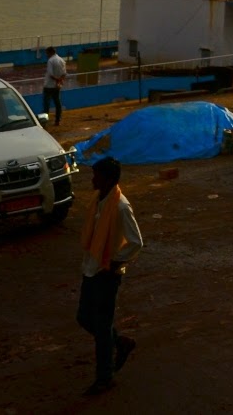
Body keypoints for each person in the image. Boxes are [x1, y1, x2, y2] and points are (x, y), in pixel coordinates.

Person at [77, 156, 143, 395]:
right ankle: (119, 343)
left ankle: (105, 377)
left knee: (101, 327)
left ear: (107, 179)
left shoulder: (121, 206)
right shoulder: (99, 200)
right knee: (85, 318)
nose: (93, 179)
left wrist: (116, 261)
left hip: (106, 272)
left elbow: (136, 241)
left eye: (96, 175)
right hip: (92, 268)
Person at [43, 47, 67, 128]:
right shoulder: (61, 60)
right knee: (58, 103)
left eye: (47, 53)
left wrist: (57, 80)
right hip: (57, 86)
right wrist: (60, 80)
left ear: (50, 52)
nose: (46, 55)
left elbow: (50, 74)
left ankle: (45, 121)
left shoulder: (50, 61)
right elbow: (64, 73)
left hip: (49, 85)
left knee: (46, 104)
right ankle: (57, 120)